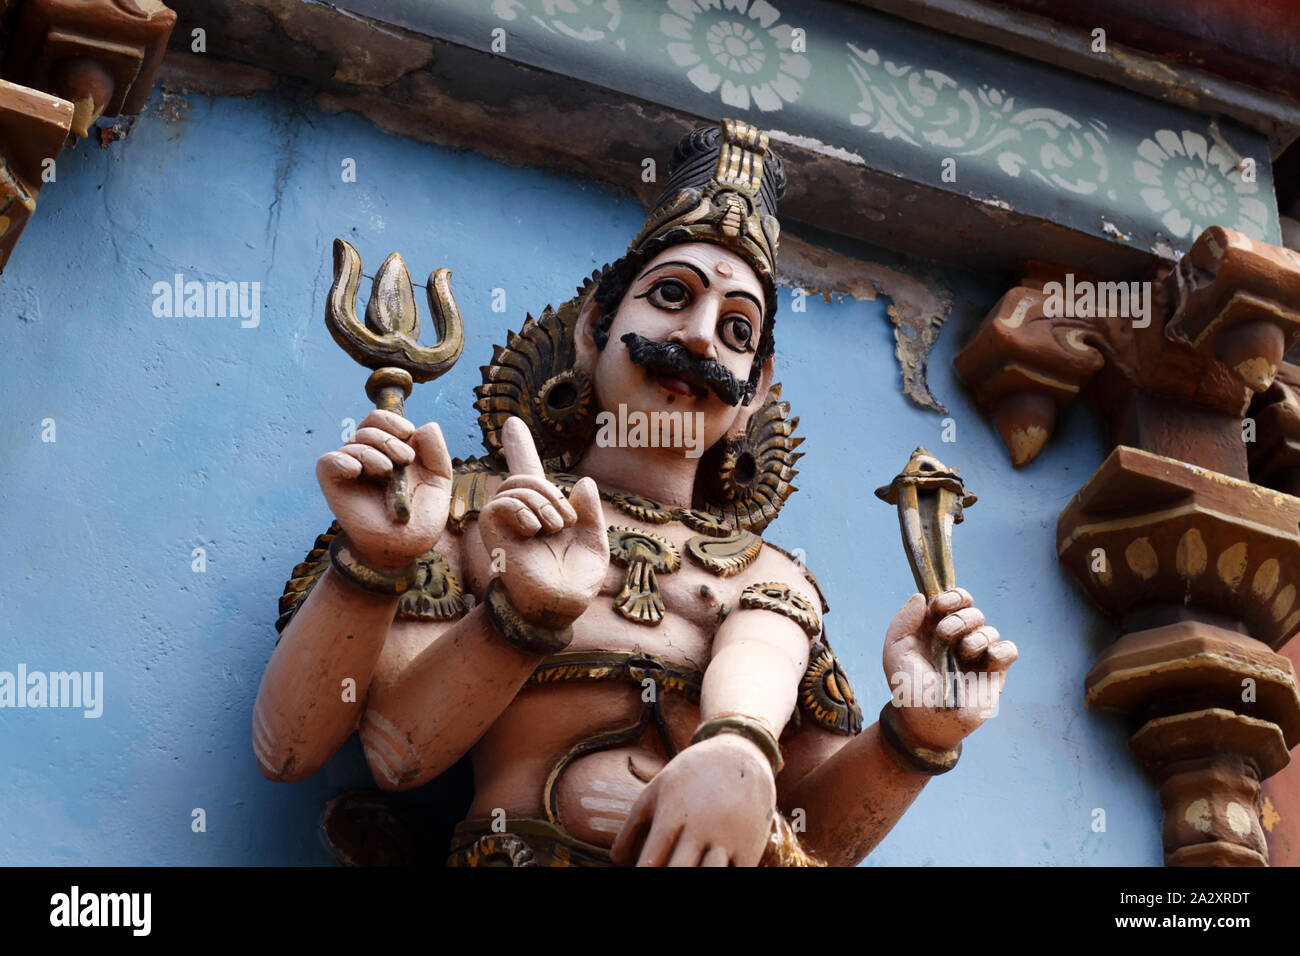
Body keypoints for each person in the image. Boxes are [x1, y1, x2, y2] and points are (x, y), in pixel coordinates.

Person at [254, 119, 1018, 866]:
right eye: (672, 295)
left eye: (738, 332)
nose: (699, 338)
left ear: (755, 393)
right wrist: (405, 569)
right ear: (595, 327)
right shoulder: (478, 510)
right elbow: (350, 751)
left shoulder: (772, 579)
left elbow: (810, 837)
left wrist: (918, 736)